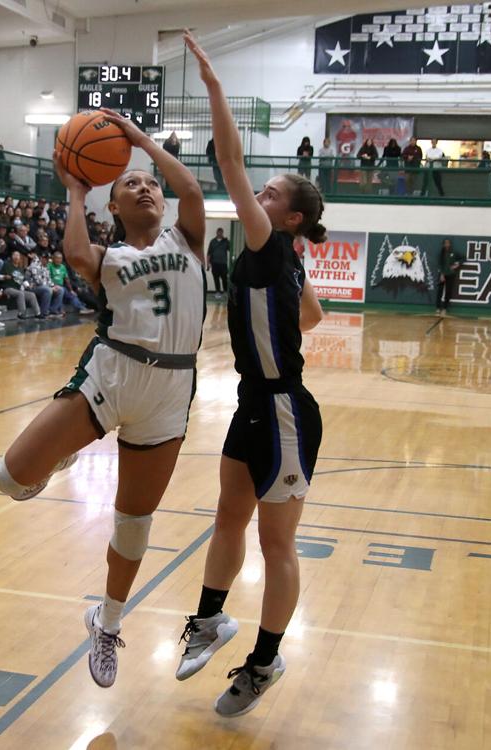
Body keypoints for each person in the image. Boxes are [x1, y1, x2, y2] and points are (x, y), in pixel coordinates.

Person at [0, 104, 206, 689]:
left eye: (149, 184)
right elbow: (76, 255)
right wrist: (74, 192)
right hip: (112, 375)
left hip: (169, 392)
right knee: (8, 480)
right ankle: (64, 451)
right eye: (129, 184)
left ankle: (106, 623)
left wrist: (138, 142)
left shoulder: (187, 239)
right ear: (113, 206)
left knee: (134, 522)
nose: (143, 187)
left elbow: (188, 184)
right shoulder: (110, 258)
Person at [177, 34, 325, 719]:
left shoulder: (267, 243)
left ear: (288, 216)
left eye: (268, 194)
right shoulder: (280, 250)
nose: (253, 194)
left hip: (287, 409)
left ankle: (265, 662)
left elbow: (230, 157)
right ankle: (210, 618)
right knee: (228, 517)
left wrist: (213, 85)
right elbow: (315, 316)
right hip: (251, 402)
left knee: (276, 543)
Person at [435, 238, 463, 316]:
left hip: (451, 275)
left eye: (448, 243)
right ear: (443, 245)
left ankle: (445, 308)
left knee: (448, 292)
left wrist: (457, 264)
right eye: (445, 243)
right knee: (440, 291)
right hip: (442, 275)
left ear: (450, 244)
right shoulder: (441, 253)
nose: (447, 245)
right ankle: (438, 307)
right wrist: (441, 274)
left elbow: (463, 258)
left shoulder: (454, 253)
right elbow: (440, 265)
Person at [207, 227, 230, 299]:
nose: (220, 233)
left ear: (222, 233)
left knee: (224, 279)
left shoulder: (226, 241)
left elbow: (231, 249)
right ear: (216, 232)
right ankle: (218, 292)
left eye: (221, 232)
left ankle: (225, 292)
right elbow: (209, 253)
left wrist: (227, 240)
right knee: (216, 278)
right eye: (218, 232)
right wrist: (208, 263)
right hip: (215, 263)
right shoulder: (212, 242)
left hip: (223, 263)